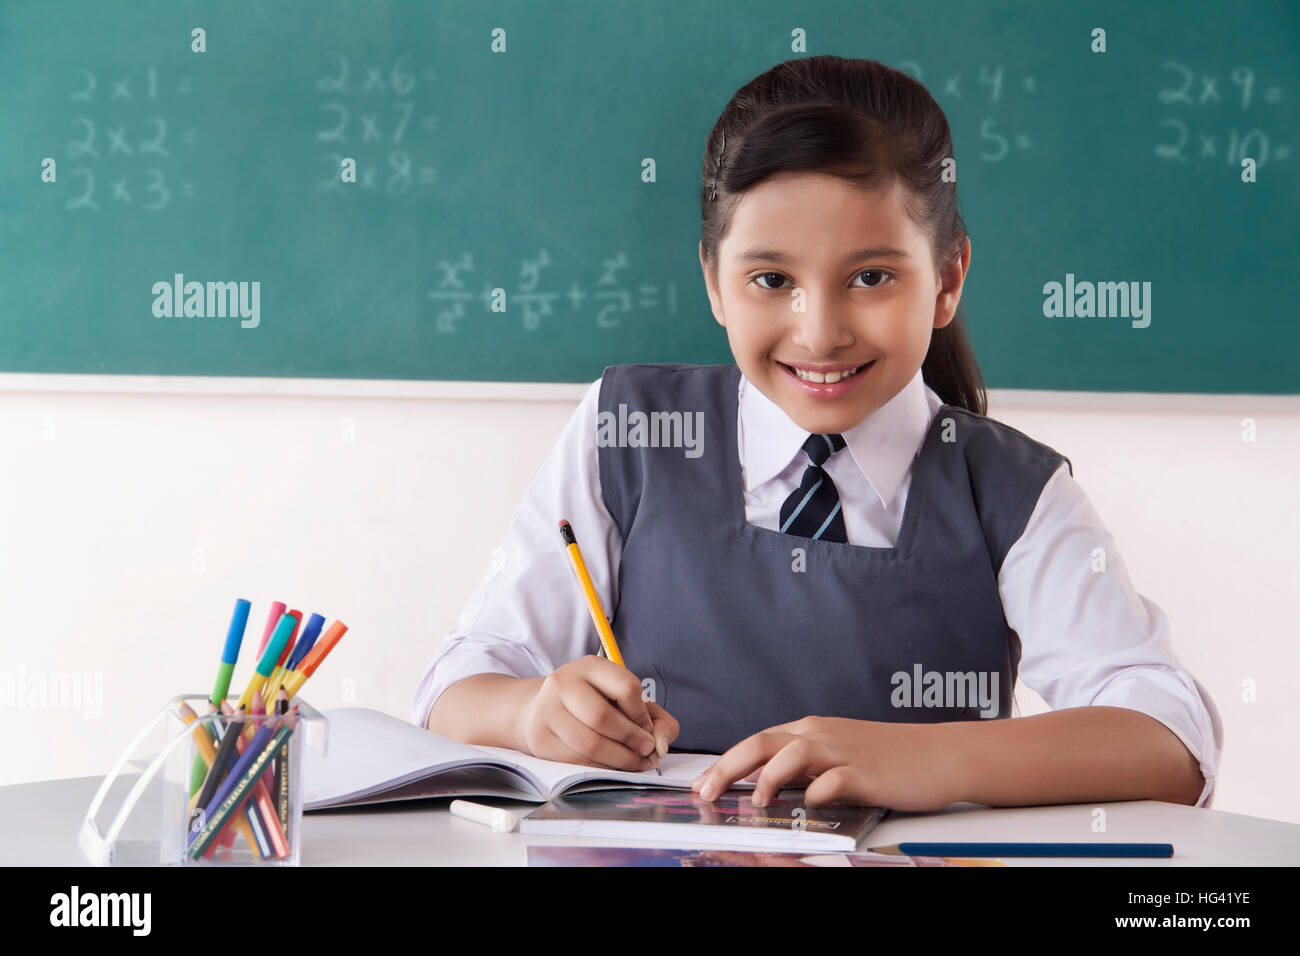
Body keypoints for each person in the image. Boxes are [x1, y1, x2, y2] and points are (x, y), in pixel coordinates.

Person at [411, 55, 1221, 813]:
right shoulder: (627, 430)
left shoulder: (1010, 489)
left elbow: (1172, 737)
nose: (820, 330)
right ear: (714, 284)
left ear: (947, 281)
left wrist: (920, 759)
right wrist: (533, 713)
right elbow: (454, 688)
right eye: (771, 280)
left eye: (871, 277)